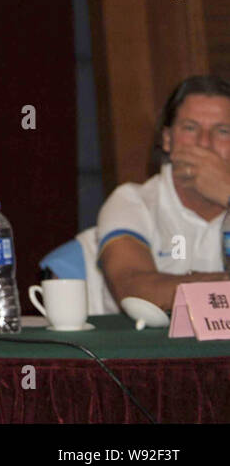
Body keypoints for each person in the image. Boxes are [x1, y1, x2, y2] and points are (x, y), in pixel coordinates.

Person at [97, 75, 230, 312]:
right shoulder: (133, 200)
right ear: (167, 140)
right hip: (150, 348)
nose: (204, 143)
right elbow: (133, 289)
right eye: (190, 128)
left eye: (222, 131)